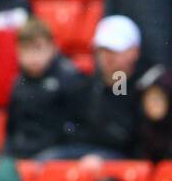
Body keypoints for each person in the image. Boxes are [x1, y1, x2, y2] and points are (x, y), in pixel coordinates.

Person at [43, 15, 147, 161]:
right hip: (82, 151)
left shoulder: (142, 85)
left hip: (119, 157)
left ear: (134, 52)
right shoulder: (85, 85)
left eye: (114, 50)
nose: (107, 57)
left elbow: (124, 137)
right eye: (102, 50)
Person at [1, 17, 89, 159]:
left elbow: (80, 126)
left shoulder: (69, 78)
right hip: (22, 152)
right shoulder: (19, 83)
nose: (32, 57)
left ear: (52, 47)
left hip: (58, 153)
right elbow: (11, 129)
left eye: (38, 48)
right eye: (26, 50)